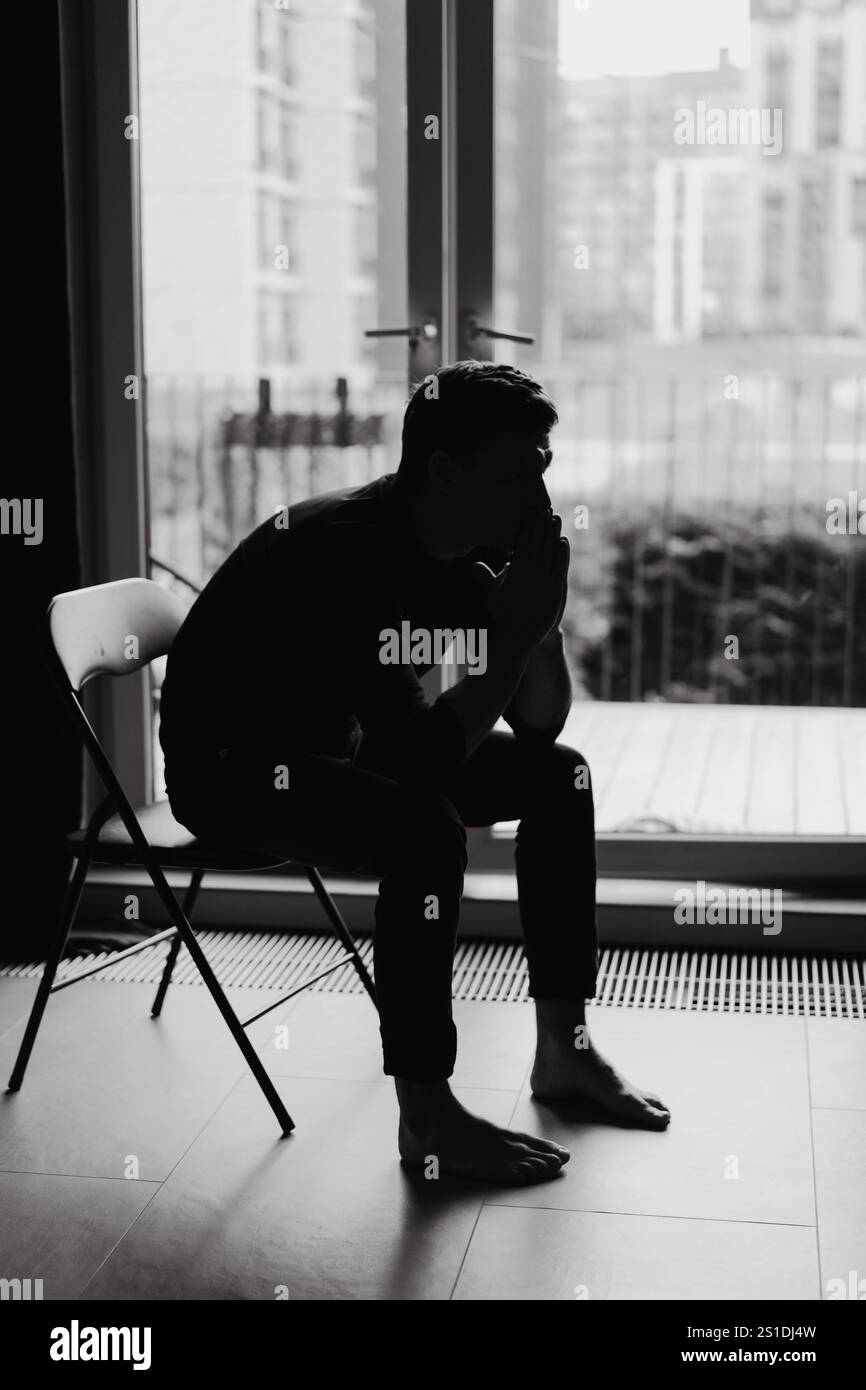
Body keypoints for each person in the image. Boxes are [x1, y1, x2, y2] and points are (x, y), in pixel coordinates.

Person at [159, 360, 670, 1184]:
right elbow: (427, 764)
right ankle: (427, 1121)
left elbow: (540, 722)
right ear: (444, 470)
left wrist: (541, 627)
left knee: (559, 778)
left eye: (542, 471)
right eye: (516, 473)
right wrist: (509, 640)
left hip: (339, 743)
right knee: (422, 830)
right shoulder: (347, 555)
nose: (539, 499)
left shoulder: (466, 549)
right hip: (232, 773)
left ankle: (563, 1054)